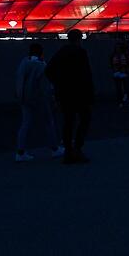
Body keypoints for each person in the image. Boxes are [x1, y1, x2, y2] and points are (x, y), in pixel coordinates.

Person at [45, 29, 95, 164]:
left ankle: (68, 151)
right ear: (79, 39)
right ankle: (77, 148)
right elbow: (86, 74)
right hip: (80, 93)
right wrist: (90, 93)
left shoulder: (61, 52)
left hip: (65, 93)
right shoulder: (81, 52)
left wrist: (59, 84)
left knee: (68, 122)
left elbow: (48, 70)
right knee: (84, 119)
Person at [14, 43, 64, 162]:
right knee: (48, 122)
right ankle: (54, 148)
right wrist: (52, 98)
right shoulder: (41, 66)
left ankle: (20, 152)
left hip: (25, 98)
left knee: (25, 123)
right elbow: (44, 86)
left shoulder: (24, 62)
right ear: (41, 52)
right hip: (39, 98)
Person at [111, 40, 129, 108]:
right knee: (119, 88)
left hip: (124, 73)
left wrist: (126, 70)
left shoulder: (124, 54)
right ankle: (121, 101)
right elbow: (111, 63)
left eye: (118, 47)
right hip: (117, 73)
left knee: (126, 88)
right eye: (116, 47)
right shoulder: (114, 55)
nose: (118, 49)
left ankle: (128, 101)